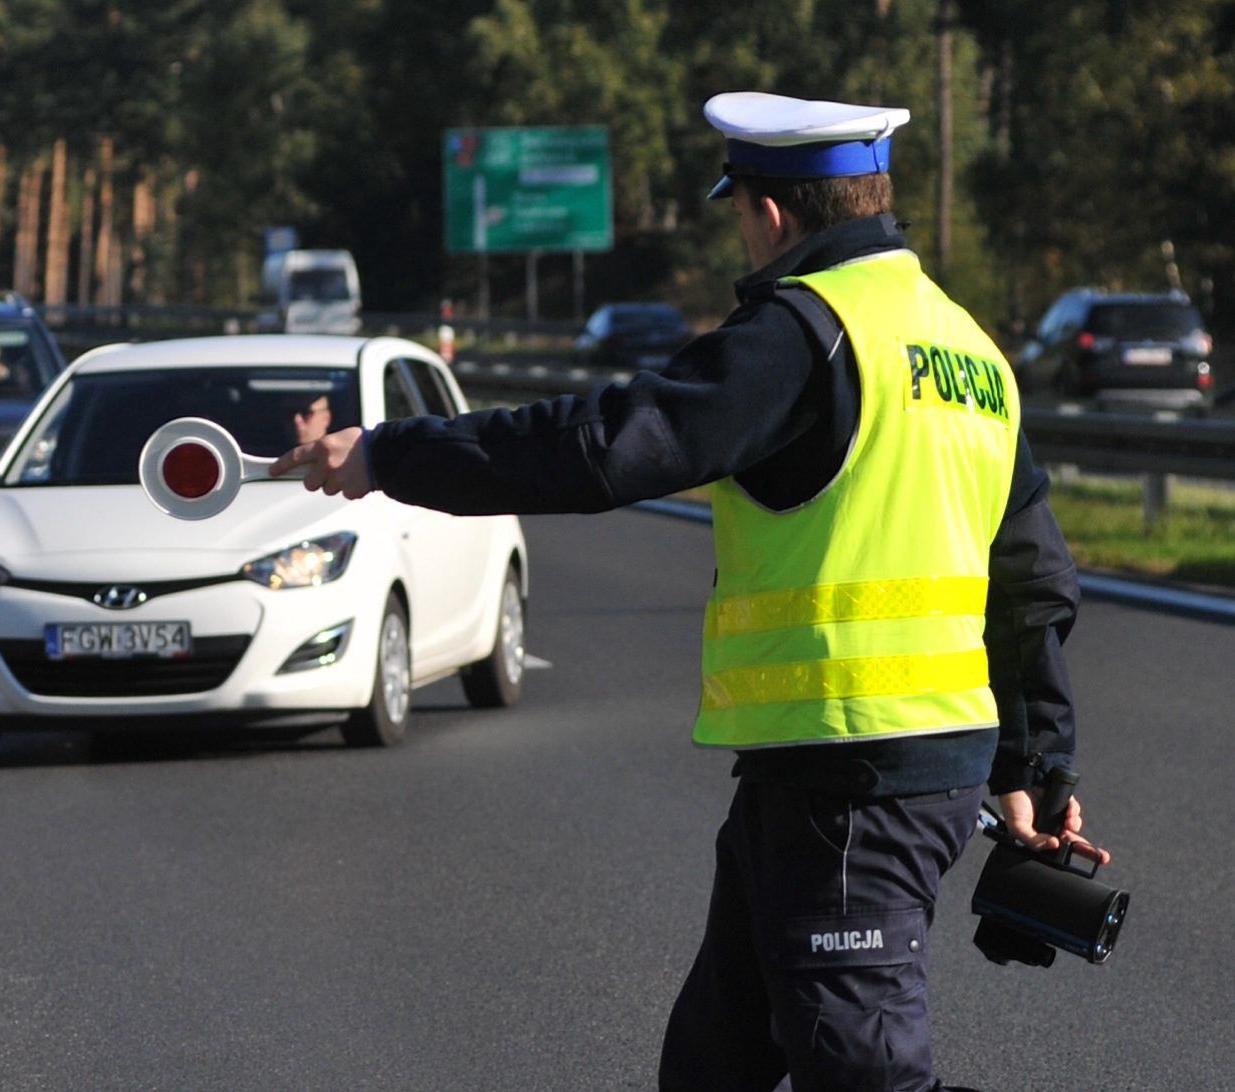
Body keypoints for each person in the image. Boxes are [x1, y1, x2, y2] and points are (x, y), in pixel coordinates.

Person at [271, 91, 1106, 1091]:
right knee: (716, 1065)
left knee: (863, 1073)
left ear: (769, 212)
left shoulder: (805, 336)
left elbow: (603, 448)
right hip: (849, 772)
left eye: (736, 212)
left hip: (853, 774)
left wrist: (387, 454)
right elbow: (1033, 585)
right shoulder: (971, 353)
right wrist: (1034, 767)